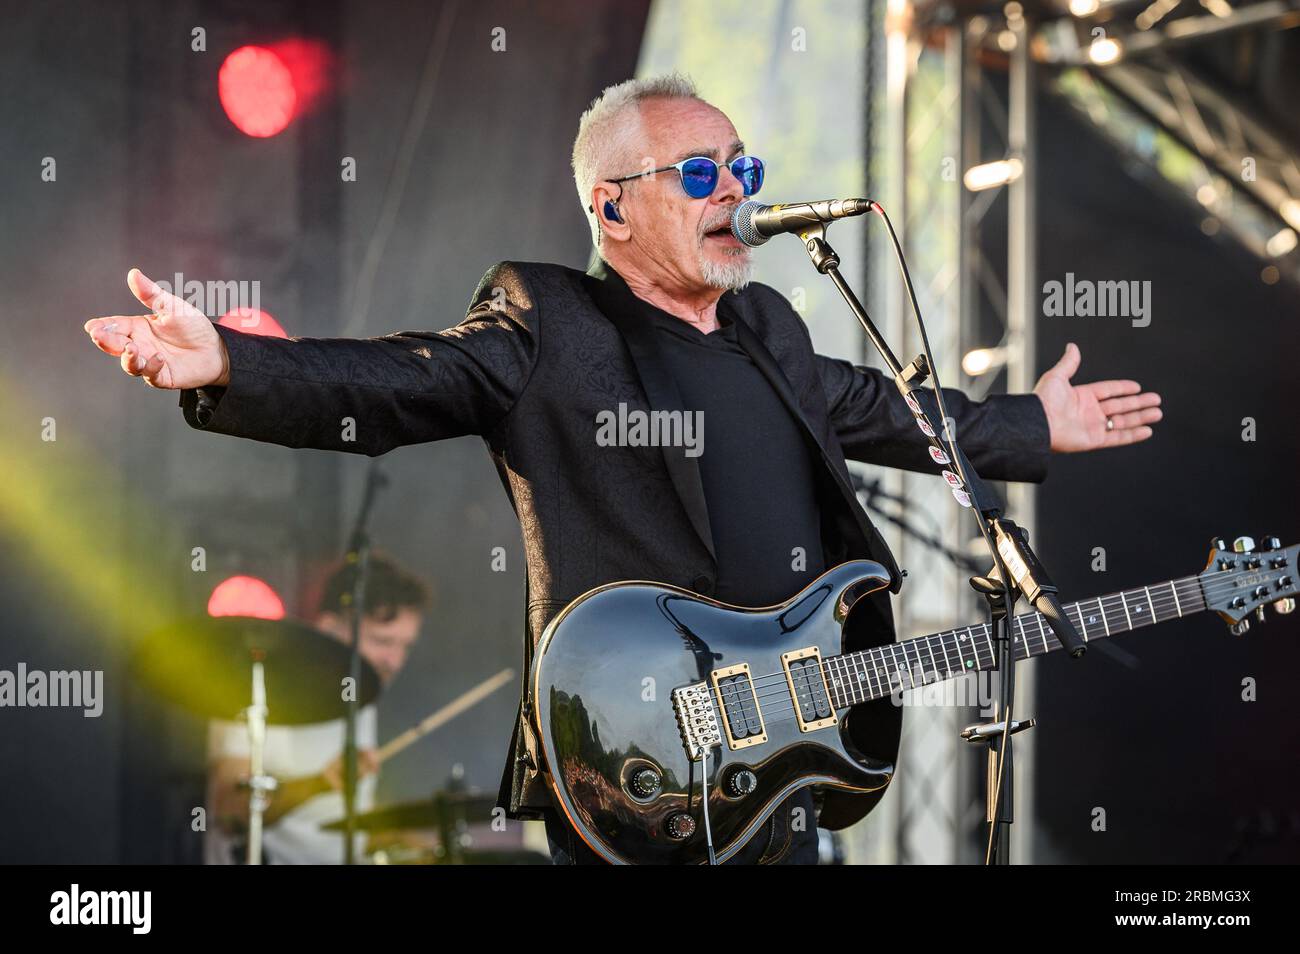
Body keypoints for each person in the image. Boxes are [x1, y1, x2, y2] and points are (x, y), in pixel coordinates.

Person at [84, 74, 1161, 864]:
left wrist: (1028, 423)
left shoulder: (770, 329)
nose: (734, 189)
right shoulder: (550, 321)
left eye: (744, 169)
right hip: (630, 755)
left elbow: (882, 409)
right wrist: (230, 362)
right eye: (701, 173)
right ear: (612, 206)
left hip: (777, 763)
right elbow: (407, 378)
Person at [205, 554, 428, 864]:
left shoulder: (361, 697)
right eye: (382, 641)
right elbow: (231, 811)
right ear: (329, 627)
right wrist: (318, 784)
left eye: (405, 646)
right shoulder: (258, 685)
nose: (395, 661)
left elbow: (337, 827)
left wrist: (410, 840)